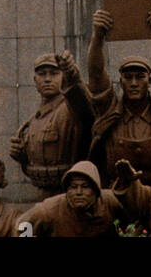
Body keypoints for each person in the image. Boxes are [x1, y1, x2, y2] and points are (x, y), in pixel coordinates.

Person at [87, 7, 151, 185]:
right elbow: (95, 74)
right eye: (128, 77)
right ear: (120, 82)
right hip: (118, 196)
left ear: (150, 81)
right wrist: (98, 35)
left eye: (140, 77)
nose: (133, 83)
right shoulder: (108, 110)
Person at [9, 49, 93, 198]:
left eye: (54, 73)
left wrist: (72, 75)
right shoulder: (31, 123)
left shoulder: (70, 110)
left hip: (71, 193)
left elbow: (85, 106)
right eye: (42, 74)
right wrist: (22, 155)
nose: (47, 79)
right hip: (42, 194)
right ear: (35, 80)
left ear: (63, 78)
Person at [23, 161, 123, 238]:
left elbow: (135, 213)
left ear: (95, 190)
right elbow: (23, 225)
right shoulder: (49, 209)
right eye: (73, 187)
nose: (78, 192)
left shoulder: (109, 201)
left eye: (85, 186)